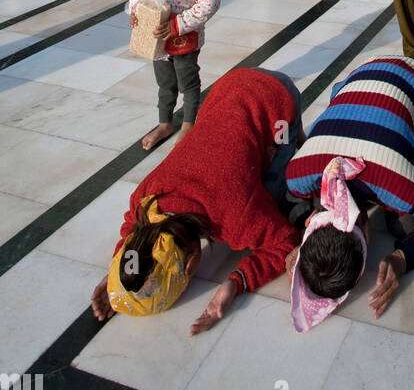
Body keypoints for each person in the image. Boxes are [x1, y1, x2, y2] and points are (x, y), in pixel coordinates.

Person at [90, 67, 302, 332]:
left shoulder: (235, 215)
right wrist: (119, 275)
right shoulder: (146, 197)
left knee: (275, 195)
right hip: (228, 85)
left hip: (275, 96)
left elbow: (285, 240)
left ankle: (293, 135)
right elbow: (135, 230)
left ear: (191, 264)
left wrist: (236, 282)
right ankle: (294, 138)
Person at [284, 56, 414, 329]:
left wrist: (403, 258)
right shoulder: (298, 174)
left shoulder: (404, 187)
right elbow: (293, 204)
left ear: (367, 234)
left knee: (404, 225)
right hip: (357, 74)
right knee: (399, 219)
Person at [127, 0, 225, 151]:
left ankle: (189, 123)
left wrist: (177, 25)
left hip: (183, 39)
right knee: (165, 83)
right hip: (157, 40)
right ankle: (165, 123)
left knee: (187, 82)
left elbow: (207, 5)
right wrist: (136, 8)